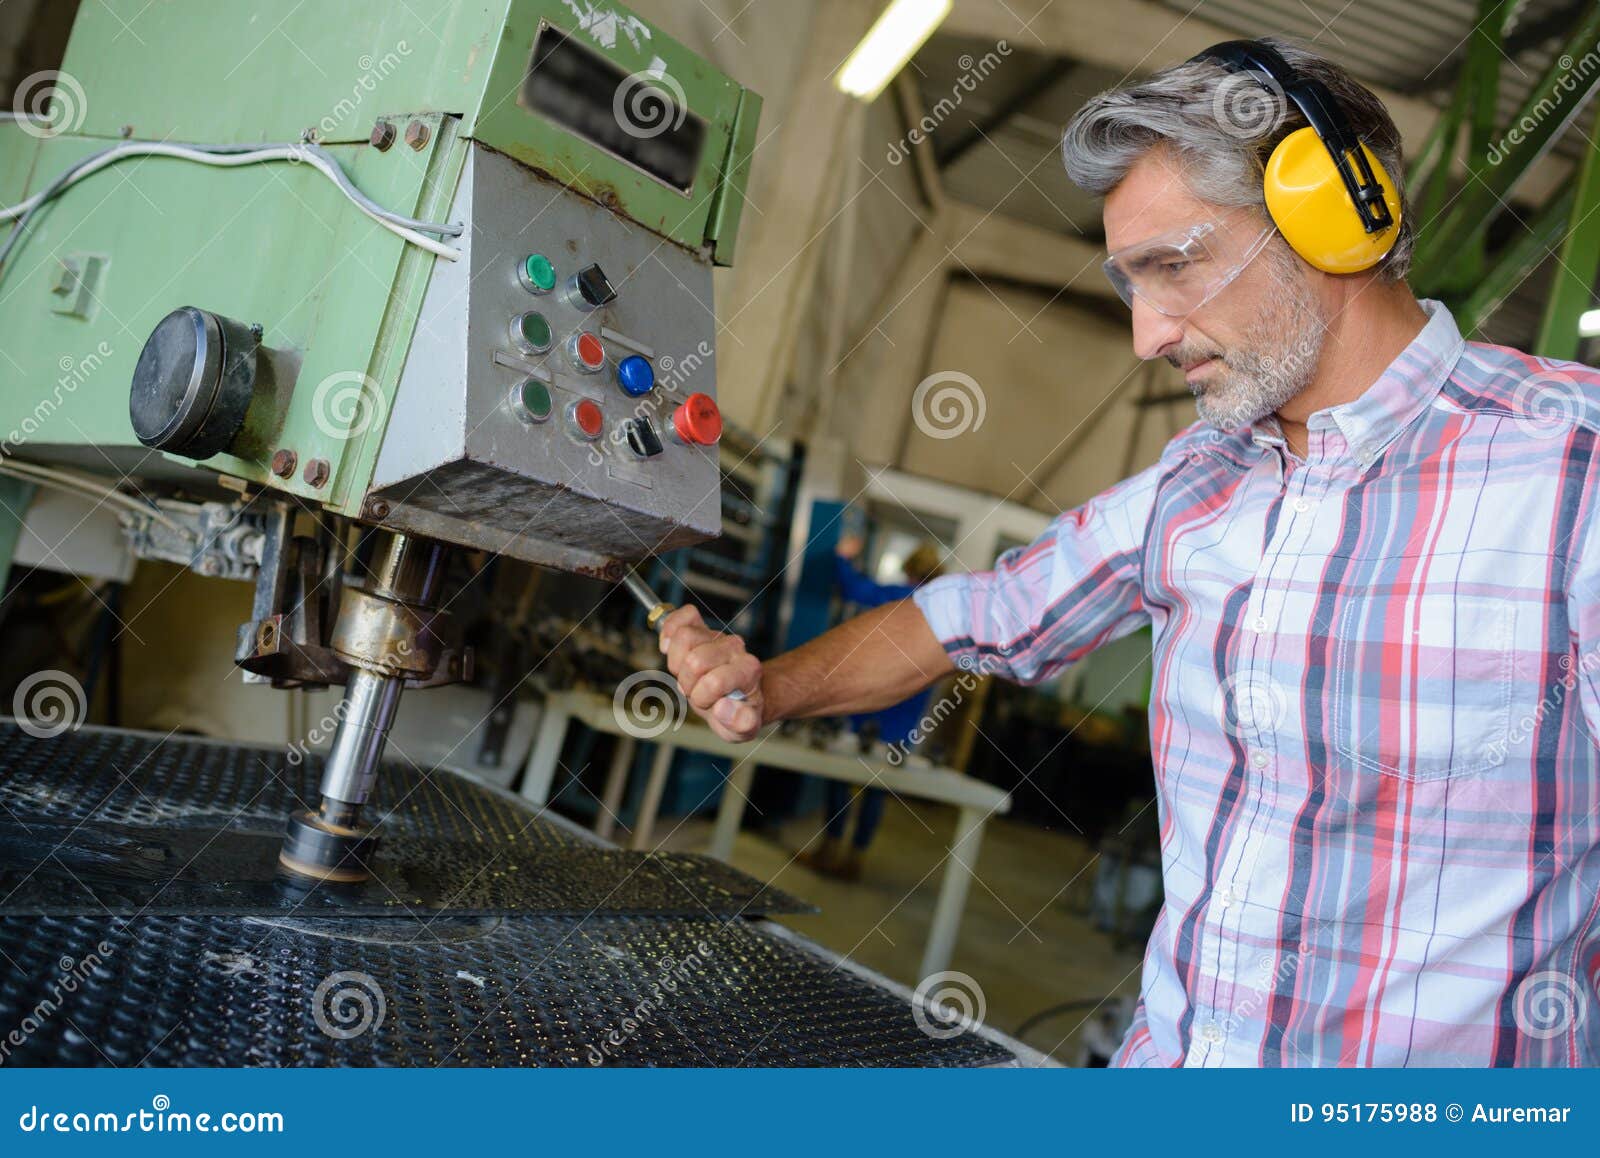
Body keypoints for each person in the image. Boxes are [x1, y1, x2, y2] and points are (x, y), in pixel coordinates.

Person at [656, 38, 1600, 1067]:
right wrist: (771, 687)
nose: (1148, 335)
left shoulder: (1571, 468)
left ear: (1329, 218)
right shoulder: (1195, 481)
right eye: (1130, 285)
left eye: (1174, 267)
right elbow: (974, 615)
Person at [800, 534, 944, 880]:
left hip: (872, 699)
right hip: (907, 710)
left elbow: (854, 589)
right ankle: (856, 859)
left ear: (909, 569)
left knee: (843, 770)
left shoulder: (896, 596)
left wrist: (842, 555)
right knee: (879, 785)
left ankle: (829, 848)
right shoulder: (939, 612)